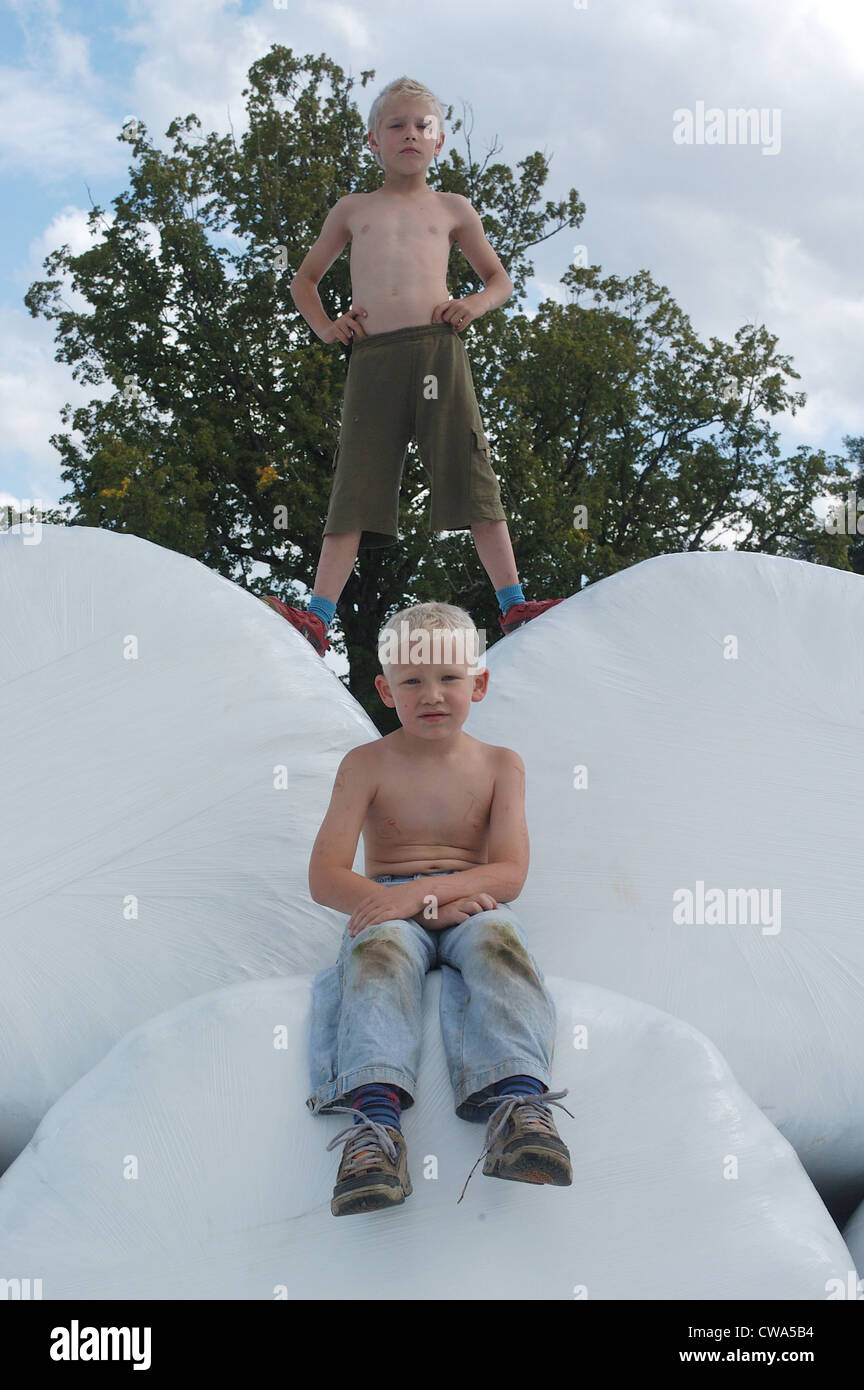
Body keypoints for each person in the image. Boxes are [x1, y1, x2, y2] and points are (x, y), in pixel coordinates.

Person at [263, 76, 562, 655]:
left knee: (471, 472)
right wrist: (326, 326)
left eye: (421, 126)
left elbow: (498, 279)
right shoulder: (353, 209)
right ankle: (318, 617)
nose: (409, 134)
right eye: (396, 125)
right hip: (372, 358)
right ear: (372, 140)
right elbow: (305, 279)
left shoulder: (453, 208)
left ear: (439, 142)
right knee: (356, 483)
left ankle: (513, 604)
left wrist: (472, 304)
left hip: (437, 349)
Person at [305, 601, 573, 1216]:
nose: (432, 694)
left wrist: (426, 898)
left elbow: (509, 873)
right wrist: (404, 903)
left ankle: (520, 1109)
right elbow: (324, 876)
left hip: (469, 901)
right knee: (378, 952)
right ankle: (375, 1129)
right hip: (391, 902)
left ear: (478, 684)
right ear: (384, 689)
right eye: (412, 681)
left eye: (450, 678)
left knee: (498, 942)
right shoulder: (365, 764)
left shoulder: (501, 764)